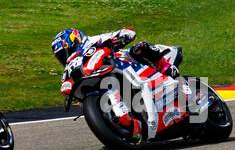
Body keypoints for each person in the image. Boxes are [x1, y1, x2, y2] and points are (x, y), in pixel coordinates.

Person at [51, 27, 182, 98]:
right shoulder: (69, 67)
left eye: (65, 52)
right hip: (99, 78)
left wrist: (120, 38)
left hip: (123, 61)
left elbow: (128, 32)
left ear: (75, 40)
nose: (65, 57)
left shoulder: (93, 40)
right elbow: (65, 85)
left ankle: (167, 69)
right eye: (61, 56)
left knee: (139, 48)